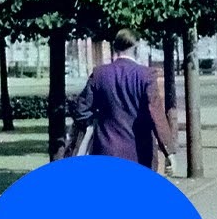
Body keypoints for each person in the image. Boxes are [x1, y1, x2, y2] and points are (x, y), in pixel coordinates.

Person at [71, 29, 177, 174]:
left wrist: (95, 122)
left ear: (115, 47)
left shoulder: (99, 74)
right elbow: (156, 116)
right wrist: (169, 152)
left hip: (105, 152)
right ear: (136, 48)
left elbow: (81, 109)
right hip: (139, 155)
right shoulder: (146, 76)